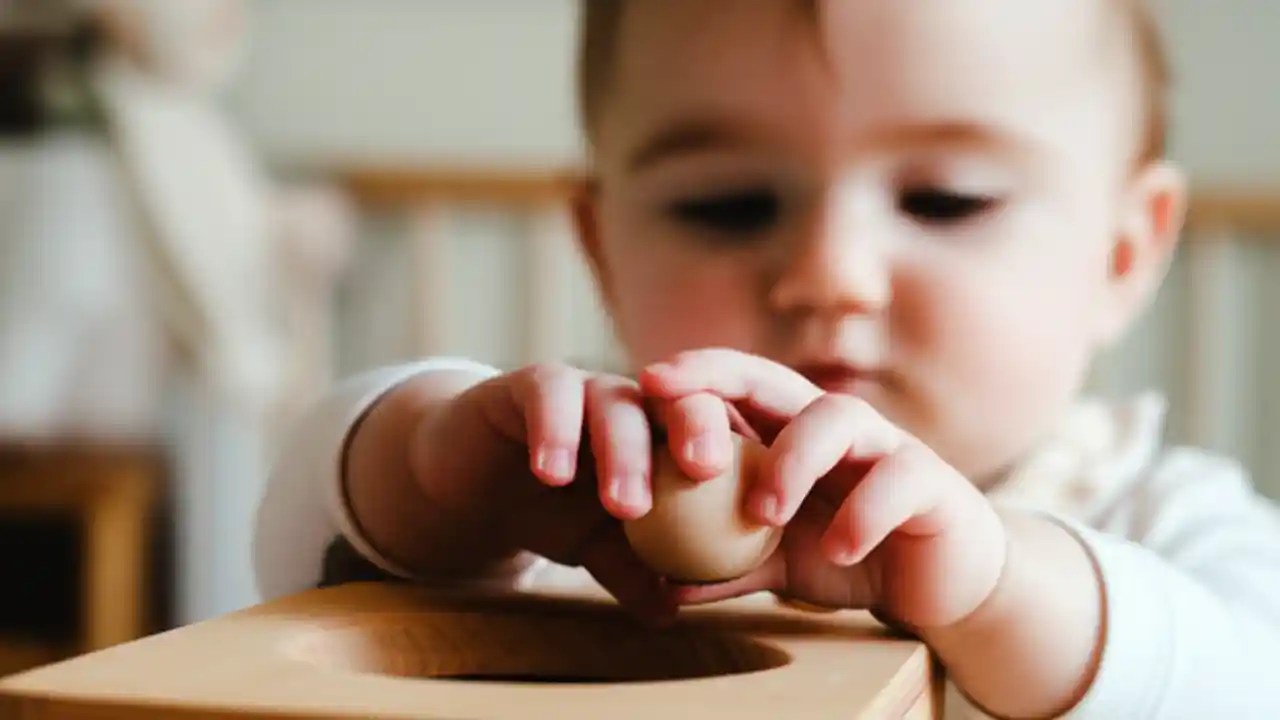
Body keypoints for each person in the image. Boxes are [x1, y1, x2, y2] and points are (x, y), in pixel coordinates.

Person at [254, 1, 1280, 717]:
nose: (829, 273)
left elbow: (1246, 683)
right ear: (603, 250)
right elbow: (301, 566)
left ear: (1120, 253)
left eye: (944, 200)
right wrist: (432, 468)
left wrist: (997, 588)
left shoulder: (1160, 524)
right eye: (726, 204)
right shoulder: (570, 490)